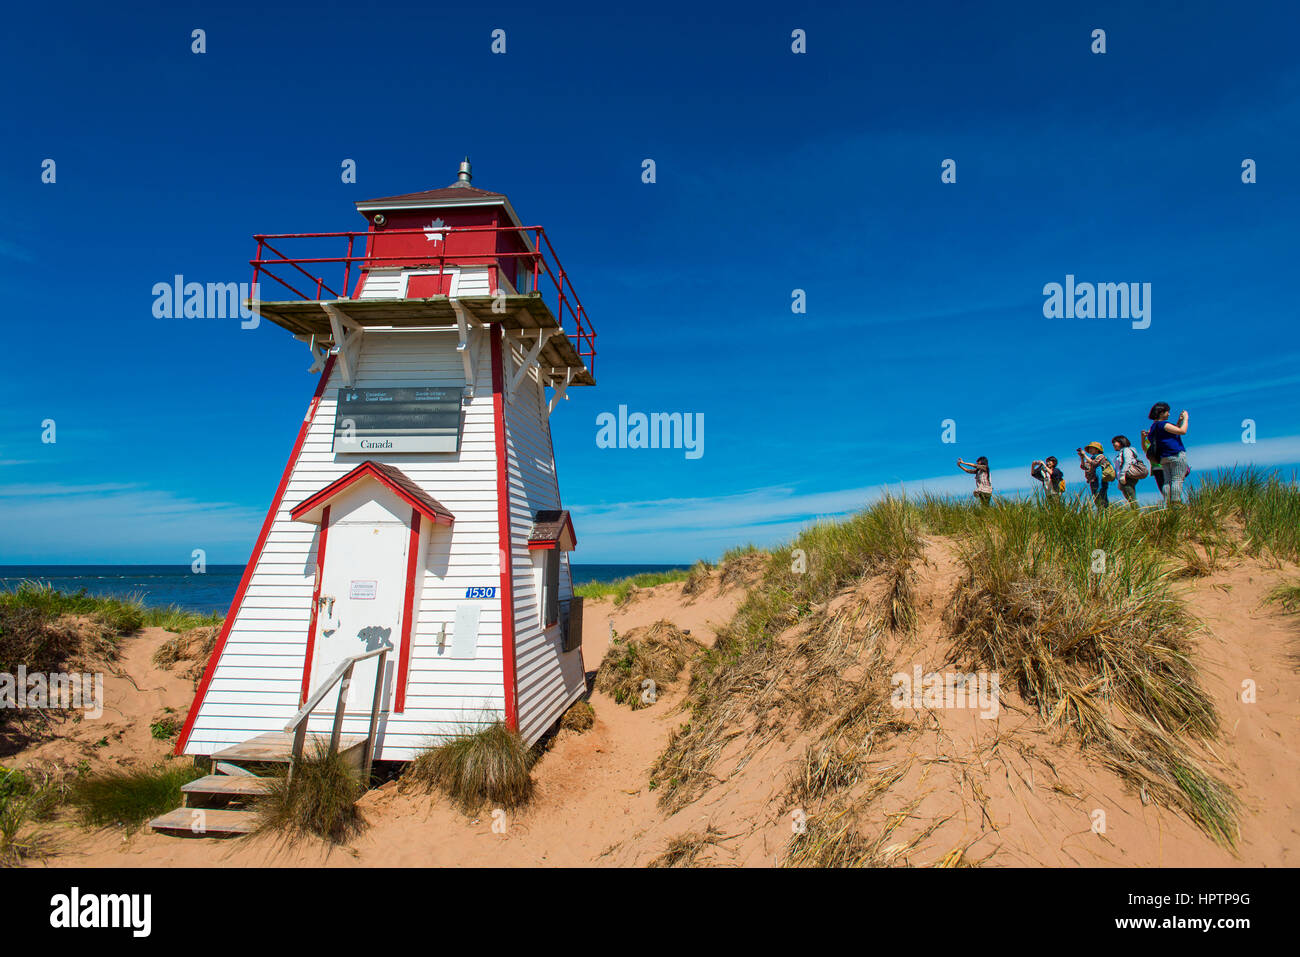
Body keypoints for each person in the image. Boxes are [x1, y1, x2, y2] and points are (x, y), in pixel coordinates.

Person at [1147, 402, 1190, 505]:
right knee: (1177, 479)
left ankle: (1167, 503)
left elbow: (1171, 432)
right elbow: (1182, 431)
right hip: (1175, 454)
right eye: (1167, 412)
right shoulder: (1163, 424)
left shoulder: (1153, 427)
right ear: (1161, 413)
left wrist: (1178, 421)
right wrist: (1186, 419)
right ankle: (1176, 503)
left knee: (1167, 481)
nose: (1169, 414)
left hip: (1163, 457)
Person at [1077, 441, 1113, 508]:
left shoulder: (1101, 456)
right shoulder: (1090, 458)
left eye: (1092, 448)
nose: (1090, 450)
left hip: (1101, 480)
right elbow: (1084, 467)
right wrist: (1082, 458)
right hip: (1093, 481)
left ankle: (1106, 514)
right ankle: (1101, 514)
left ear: (1097, 449)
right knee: (1096, 499)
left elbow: (1095, 463)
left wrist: (1085, 455)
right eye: (1089, 448)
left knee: (1102, 498)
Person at [1112, 435, 1141, 508]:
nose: (1113, 444)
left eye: (1115, 442)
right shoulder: (1121, 452)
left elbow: (1127, 462)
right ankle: (1136, 513)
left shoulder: (1126, 450)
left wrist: (1122, 475)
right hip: (1124, 477)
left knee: (1131, 498)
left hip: (1127, 477)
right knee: (1130, 498)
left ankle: (1137, 514)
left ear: (1121, 442)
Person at [1140, 428, 1165, 497]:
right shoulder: (1148, 443)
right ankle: (1170, 503)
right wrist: (1143, 438)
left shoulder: (1162, 440)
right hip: (1157, 468)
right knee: (1163, 488)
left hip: (1165, 466)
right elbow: (1145, 449)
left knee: (1169, 487)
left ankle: (1173, 503)